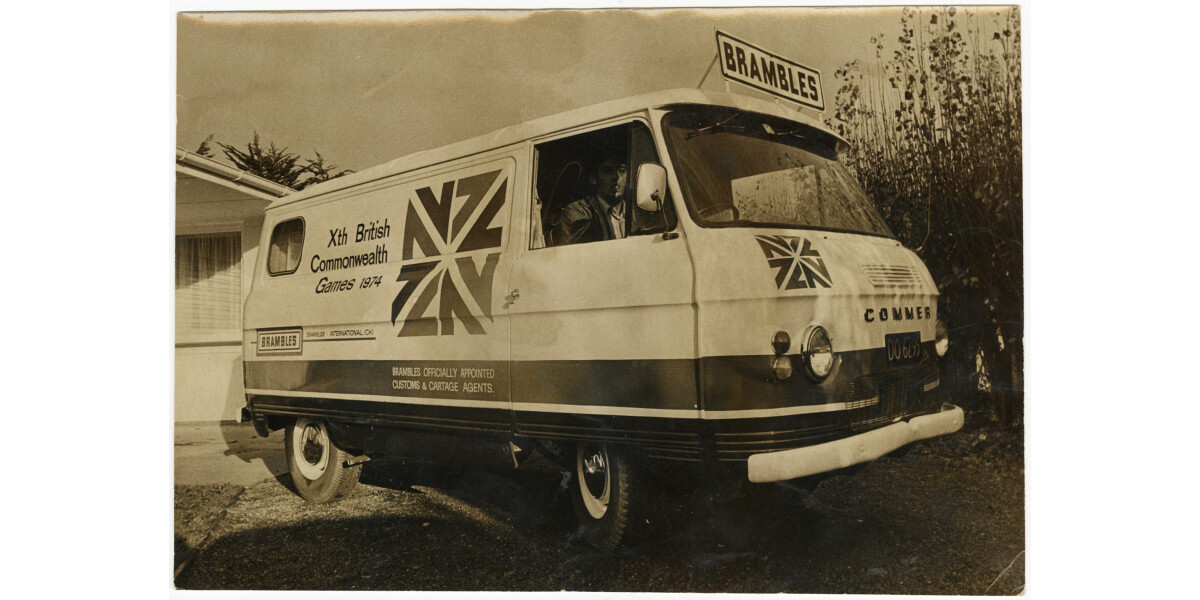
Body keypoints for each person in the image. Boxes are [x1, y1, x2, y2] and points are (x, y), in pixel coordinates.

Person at [555, 153, 628, 245]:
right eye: (607, 171)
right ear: (594, 179)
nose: (616, 176)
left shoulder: (637, 212)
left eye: (621, 170)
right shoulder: (578, 211)